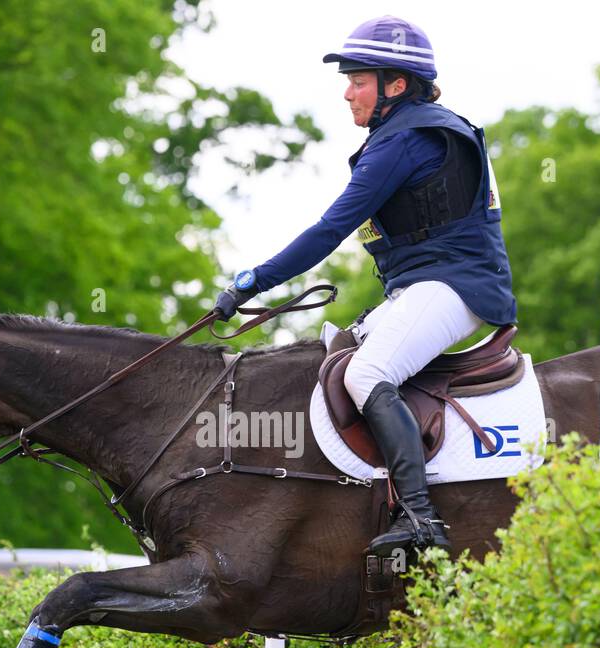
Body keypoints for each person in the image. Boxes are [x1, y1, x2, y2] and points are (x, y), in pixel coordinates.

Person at [214, 15, 518, 555]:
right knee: (336, 355)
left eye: (358, 81)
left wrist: (250, 284)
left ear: (395, 85)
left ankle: (422, 519)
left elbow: (330, 229)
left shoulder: (403, 139)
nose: (348, 94)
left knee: (368, 372)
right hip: (429, 285)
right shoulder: (416, 129)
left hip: (455, 286)